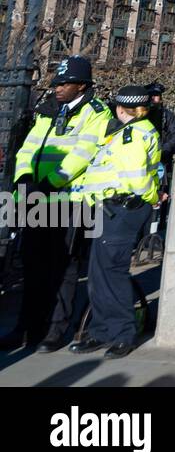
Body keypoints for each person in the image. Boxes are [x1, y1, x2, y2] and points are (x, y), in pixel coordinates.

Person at [1, 56, 111, 352]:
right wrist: (23, 177)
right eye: (56, 83)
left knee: (64, 268)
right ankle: (26, 328)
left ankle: (54, 330)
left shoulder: (95, 112)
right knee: (33, 267)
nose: (58, 88)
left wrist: (51, 180)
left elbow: (83, 152)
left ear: (82, 86)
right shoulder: (48, 108)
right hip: (37, 198)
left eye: (64, 83)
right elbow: (29, 147)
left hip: (70, 200)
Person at [68, 86, 162, 358]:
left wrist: (152, 195)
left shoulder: (134, 133)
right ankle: (101, 331)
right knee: (99, 275)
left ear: (121, 108)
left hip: (122, 208)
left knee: (112, 273)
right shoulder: (125, 131)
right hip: (109, 208)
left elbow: (135, 177)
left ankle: (122, 333)